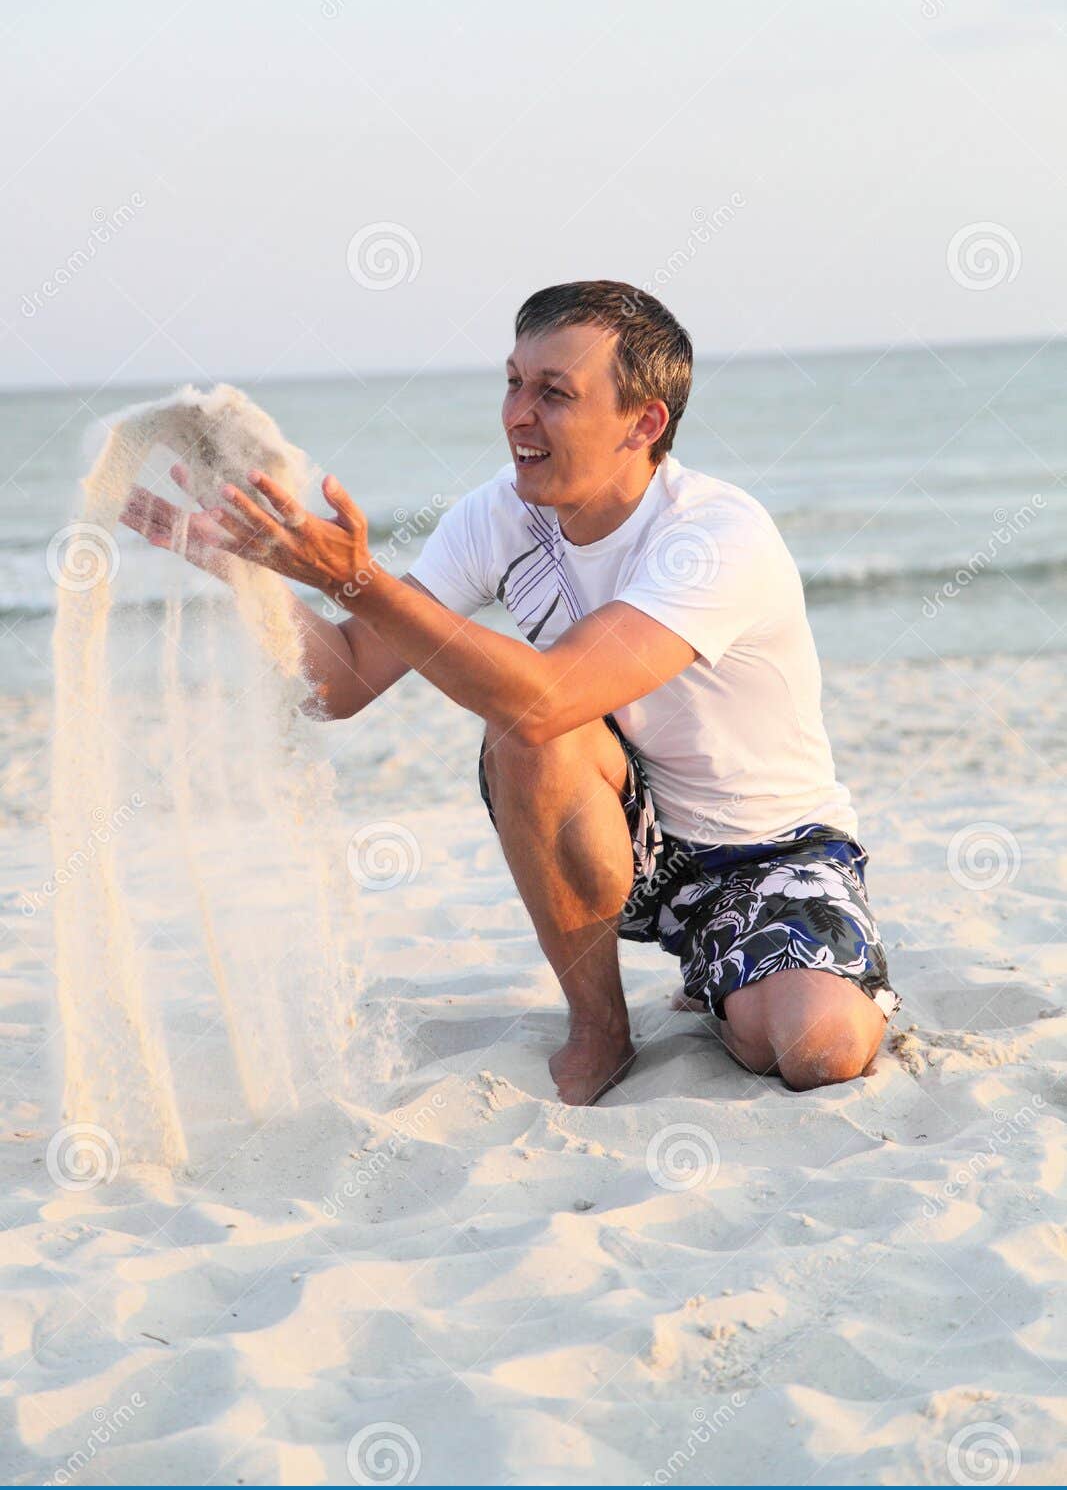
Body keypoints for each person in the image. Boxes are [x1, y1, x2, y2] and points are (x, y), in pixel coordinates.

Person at [122, 280, 899, 1107]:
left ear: (643, 423)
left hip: (769, 852)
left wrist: (356, 578)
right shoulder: (497, 515)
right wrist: (243, 570)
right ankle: (599, 1027)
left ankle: (728, 974)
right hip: (620, 839)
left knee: (817, 1052)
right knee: (529, 733)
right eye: (513, 382)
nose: (517, 415)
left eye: (553, 393)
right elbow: (341, 682)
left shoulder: (712, 536)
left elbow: (549, 691)